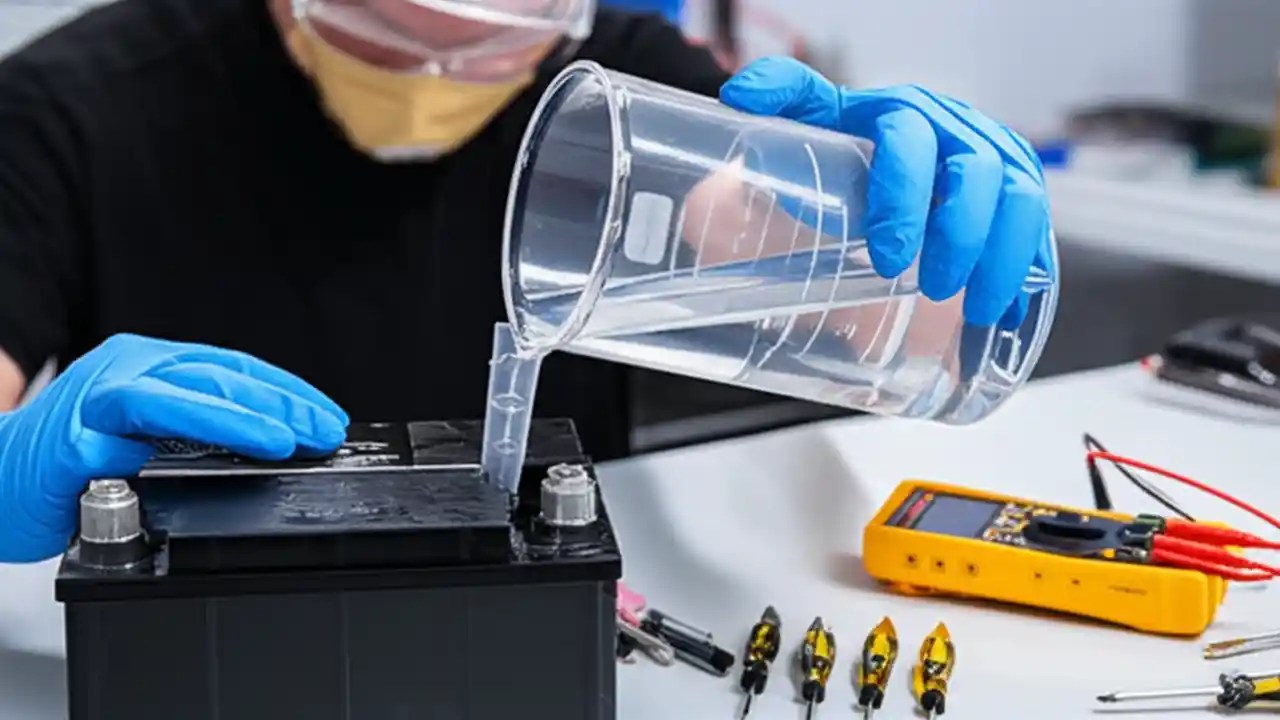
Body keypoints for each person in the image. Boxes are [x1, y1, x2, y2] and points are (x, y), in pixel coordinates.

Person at [0, 0, 1053, 563]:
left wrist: (899, 224)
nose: (448, 72)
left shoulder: (646, 101)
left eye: (508, 28)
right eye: (405, 27)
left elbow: (924, 344)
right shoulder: (69, 107)